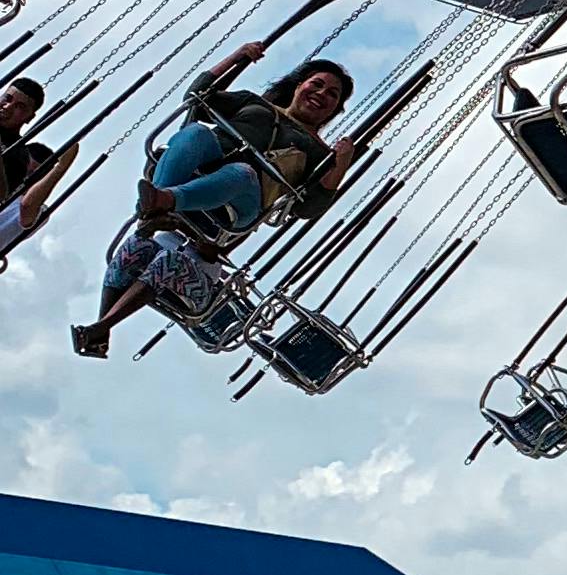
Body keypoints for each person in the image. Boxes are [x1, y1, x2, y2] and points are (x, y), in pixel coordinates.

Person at [72, 40, 359, 359]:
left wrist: (341, 164)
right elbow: (197, 97)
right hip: (199, 177)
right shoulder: (256, 104)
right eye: (317, 84)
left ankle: (163, 203)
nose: (321, 94)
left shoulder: (318, 152)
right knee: (194, 135)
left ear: (336, 109)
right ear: (298, 85)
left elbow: (311, 207)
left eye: (332, 94)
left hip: (242, 202)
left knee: (240, 174)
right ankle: (159, 205)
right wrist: (237, 58)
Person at [0, 77, 75, 272]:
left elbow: (5, 197)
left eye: (19, 107)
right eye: (6, 99)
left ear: (29, 117)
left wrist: (61, 168)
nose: (7, 107)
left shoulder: (16, 156)